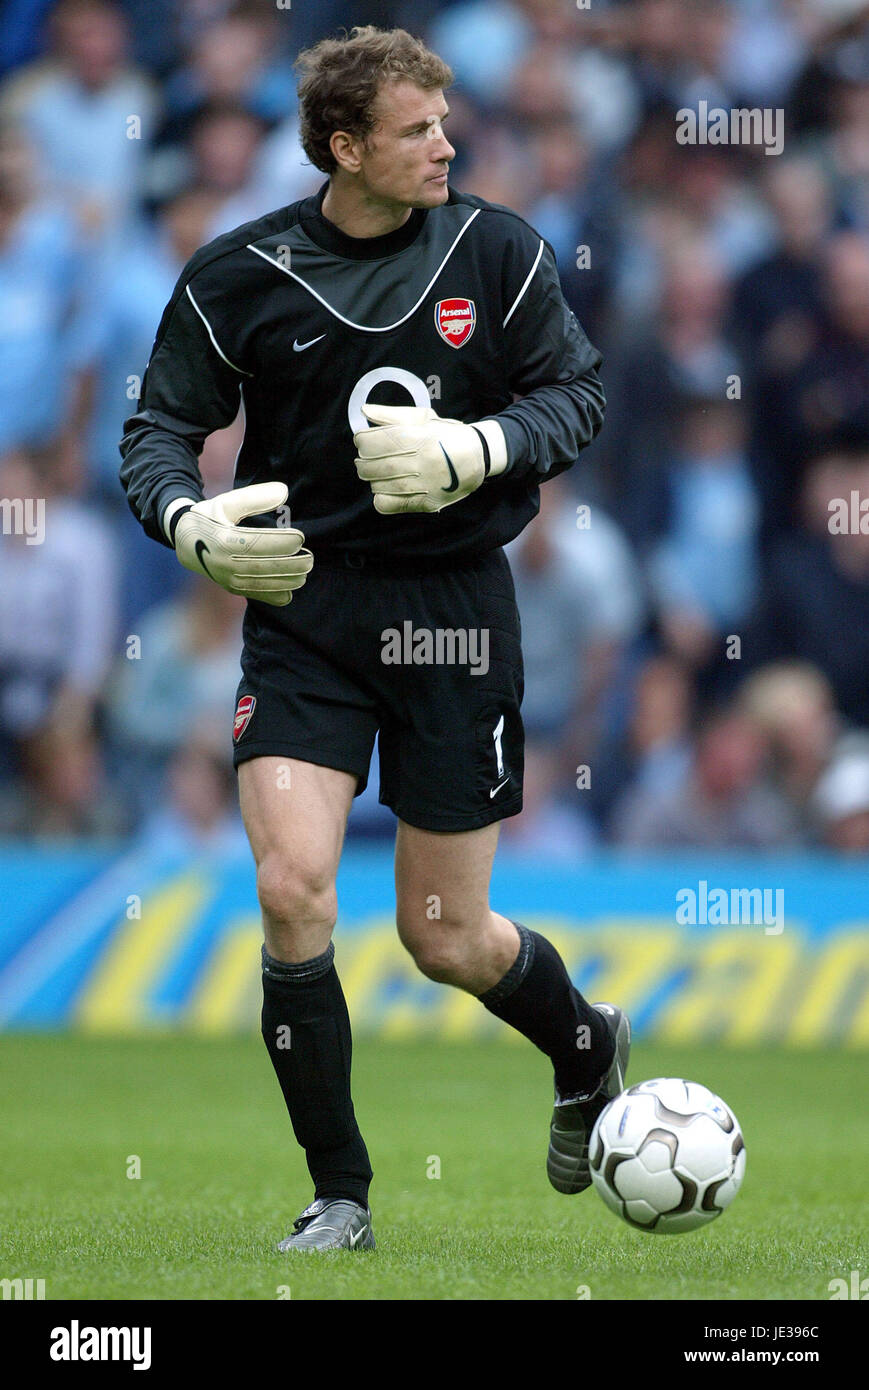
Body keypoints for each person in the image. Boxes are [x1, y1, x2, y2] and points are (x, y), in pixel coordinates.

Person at [119, 25, 629, 1254]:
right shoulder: (237, 273)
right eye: (417, 129)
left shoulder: (495, 253)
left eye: (444, 123)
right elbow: (153, 436)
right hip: (308, 610)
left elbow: (578, 394)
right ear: (343, 146)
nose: (446, 145)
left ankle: (582, 1043)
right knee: (293, 891)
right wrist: (191, 526)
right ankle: (339, 1194)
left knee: (443, 937)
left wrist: (478, 448)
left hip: (454, 610)